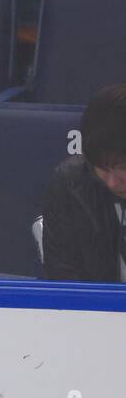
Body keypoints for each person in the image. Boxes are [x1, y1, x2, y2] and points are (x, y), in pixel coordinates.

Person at [42, 83, 126, 284]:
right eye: (102, 168)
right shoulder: (69, 185)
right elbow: (64, 278)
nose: (112, 183)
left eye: (123, 168)